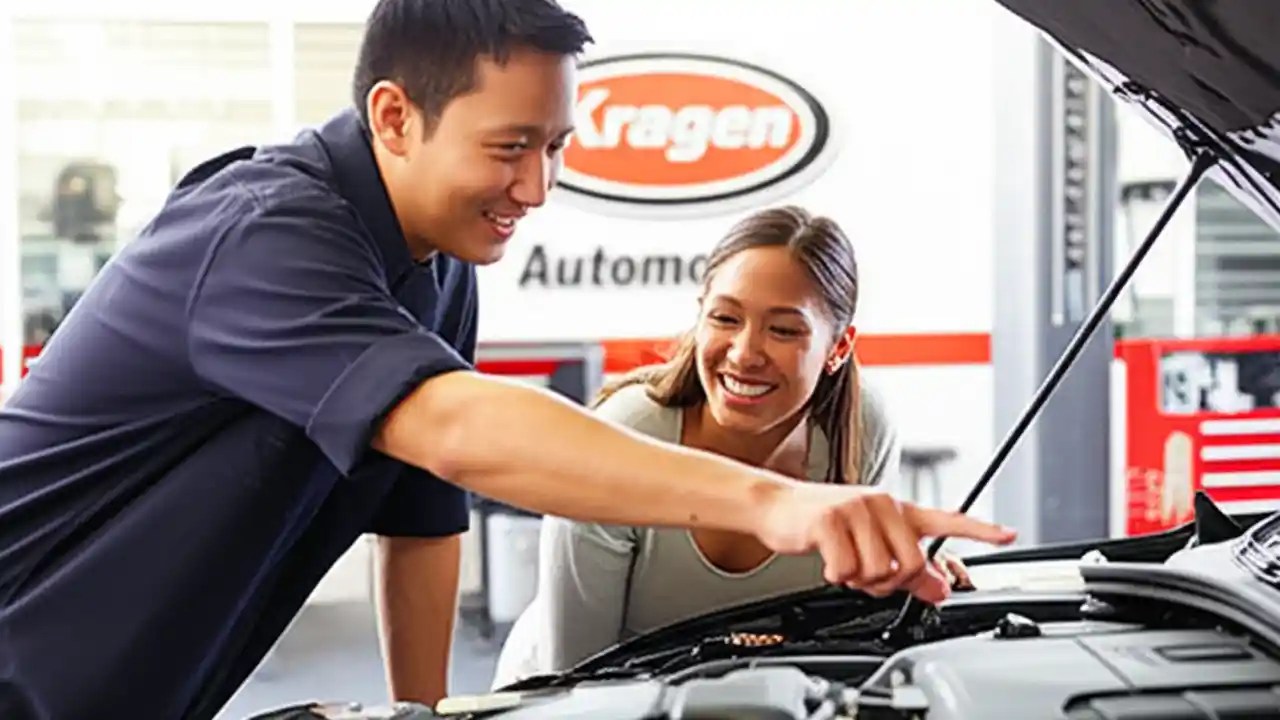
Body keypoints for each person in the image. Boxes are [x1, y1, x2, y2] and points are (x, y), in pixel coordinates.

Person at [0, 2, 1016, 718]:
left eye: (557, 147)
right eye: (509, 146)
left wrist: (423, 712)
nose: (537, 187)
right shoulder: (263, 231)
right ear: (394, 116)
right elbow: (457, 428)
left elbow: (419, 517)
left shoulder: (438, 266)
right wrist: (775, 502)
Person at [490, 206, 972, 687]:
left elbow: (853, 627)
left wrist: (902, 572)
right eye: (724, 318)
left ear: (839, 347)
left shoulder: (861, 427)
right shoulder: (627, 434)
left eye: (783, 330)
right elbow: (575, 681)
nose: (744, 354)